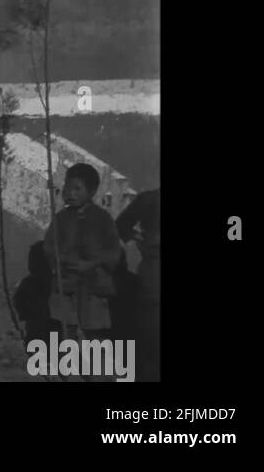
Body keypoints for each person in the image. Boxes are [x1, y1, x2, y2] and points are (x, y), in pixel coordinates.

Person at [43, 163, 122, 345]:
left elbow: (113, 251)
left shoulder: (102, 219)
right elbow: (49, 246)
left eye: (77, 188)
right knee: (66, 328)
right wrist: (60, 261)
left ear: (92, 192)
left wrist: (93, 263)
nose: (71, 193)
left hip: (93, 285)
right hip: (66, 282)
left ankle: (95, 368)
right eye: (68, 188)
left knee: (93, 330)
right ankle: (68, 366)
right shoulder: (61, 219)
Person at [116, 188, 160, 381]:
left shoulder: (149, 199)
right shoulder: (150, 199)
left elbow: (122, 225)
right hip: (154, 271)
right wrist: (141, 239)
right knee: (151, 335)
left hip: (153, 272)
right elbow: (121, 225)